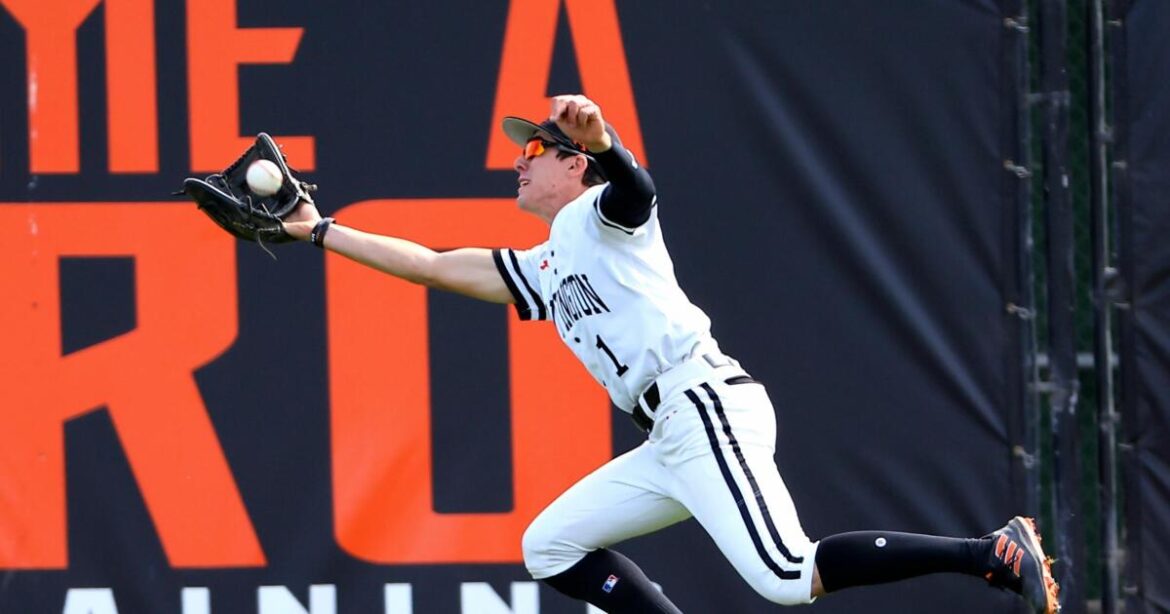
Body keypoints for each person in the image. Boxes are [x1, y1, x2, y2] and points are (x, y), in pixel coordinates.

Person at [282, 95, 1059, 613]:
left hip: (703, 402)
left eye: (537, 149)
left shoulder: (598, 212)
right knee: (547, 545)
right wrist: (318, 229)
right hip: (670, 433)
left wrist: (609, 144)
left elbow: (637, 192)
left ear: (572, 164)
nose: (519, 159)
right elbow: (428, 263)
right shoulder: (548, 260)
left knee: (788, 577)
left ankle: (988, 551)